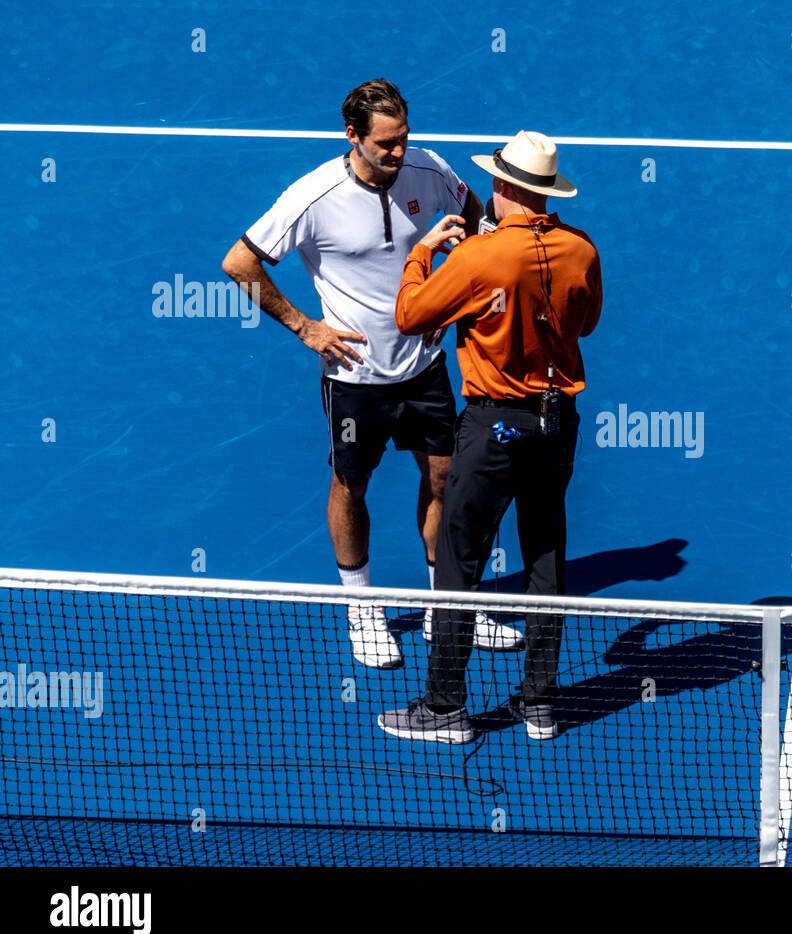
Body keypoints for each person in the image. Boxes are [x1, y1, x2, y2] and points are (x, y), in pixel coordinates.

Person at [221, 78, 520, 670]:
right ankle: (363, 611)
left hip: (426, 369)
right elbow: (239, 262)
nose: (397, 152)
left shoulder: (428, 170)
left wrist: (456, 294)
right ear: (352, 136)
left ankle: (447, 605)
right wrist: (306, 327)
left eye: (403, 138)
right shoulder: (312, 197)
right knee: (350, 487)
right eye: (385, 143)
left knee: (444, 482)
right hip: (354, 379)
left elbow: (477, 216)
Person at [377, 130, 602, 743]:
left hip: (495, 425)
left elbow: (409, 315)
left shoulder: (478, 258)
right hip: (557, 425)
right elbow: (586, 320)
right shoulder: (581, 249)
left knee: (459, 563)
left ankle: (445, 707)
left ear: (504, 188)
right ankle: (540, 704)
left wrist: (425, 253)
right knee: (545, 556)